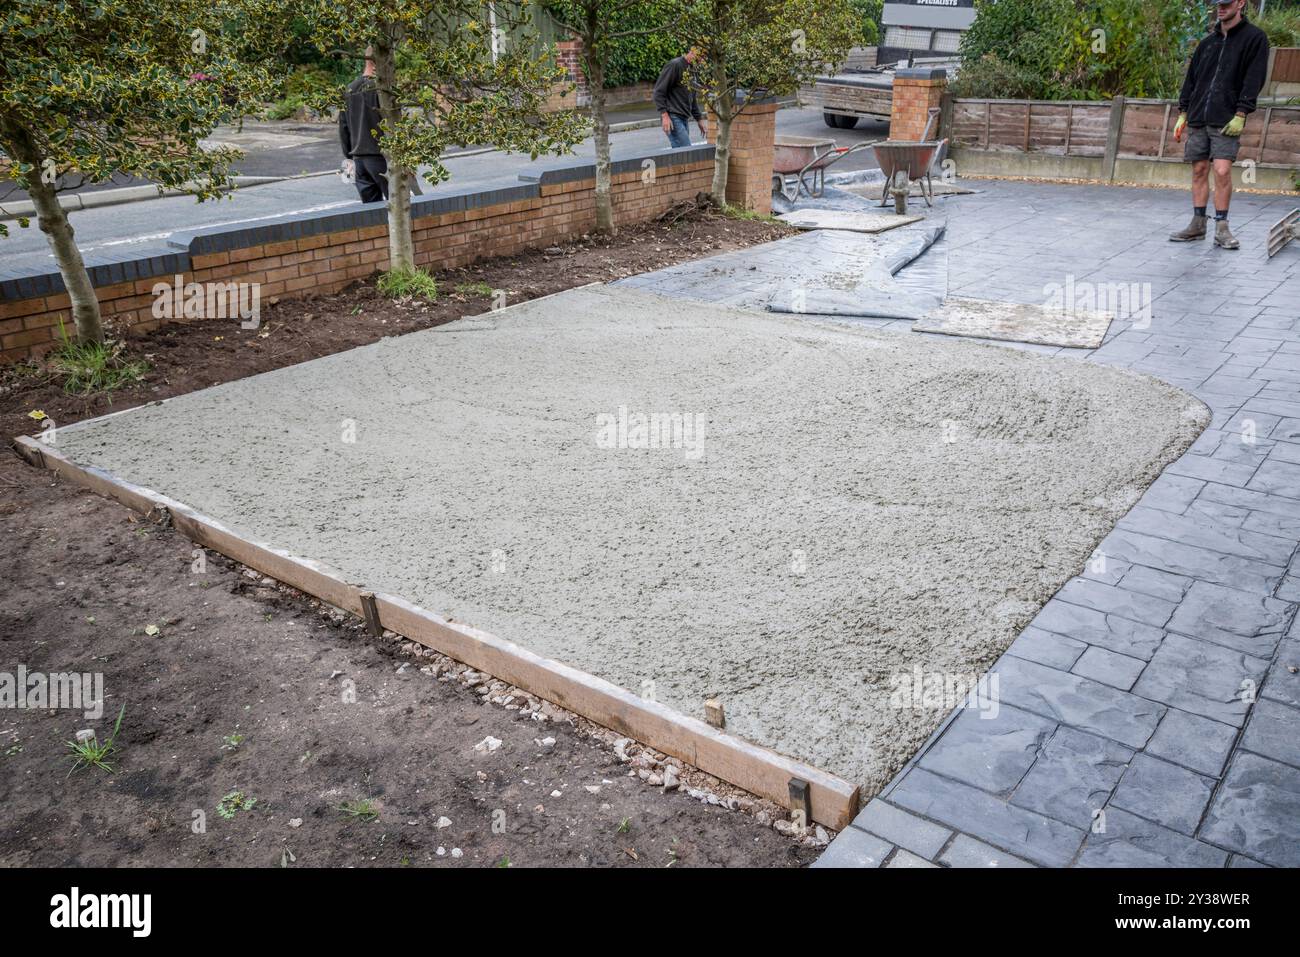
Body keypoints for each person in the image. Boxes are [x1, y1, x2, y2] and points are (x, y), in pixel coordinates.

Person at [1169, 0, 1269, 250]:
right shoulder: (1207, 43)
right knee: (1199, 170)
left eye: (1226, 3)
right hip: (1198, 116)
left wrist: (1242, 112)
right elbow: (1192, 79)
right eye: (1218, 4)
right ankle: (1197, 224)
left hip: (1227, 118)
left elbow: (1254, 77)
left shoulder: (1254, 38)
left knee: (1222, 171)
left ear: (1241, 3)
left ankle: (1222, 228)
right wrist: (1183, 112)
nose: (1221, 8)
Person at [339, 49, 389, 203]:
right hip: (382, 158)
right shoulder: (383, 89)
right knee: (400, 207)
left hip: (358, 160)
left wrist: (350, 156)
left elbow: (344, 127)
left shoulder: (349, 90)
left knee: (371, 213)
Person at [654, 49, 708, 148]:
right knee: (686, 152)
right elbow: (658, 91)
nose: (702, 61)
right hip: (673, 116)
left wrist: (699, 119)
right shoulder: (675, 65)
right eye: (701, 57)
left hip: (683, 117)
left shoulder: (692, 70)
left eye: (704, 58)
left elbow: (692, 97)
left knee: (681, 155)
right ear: (692, 51)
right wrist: (664, 116)